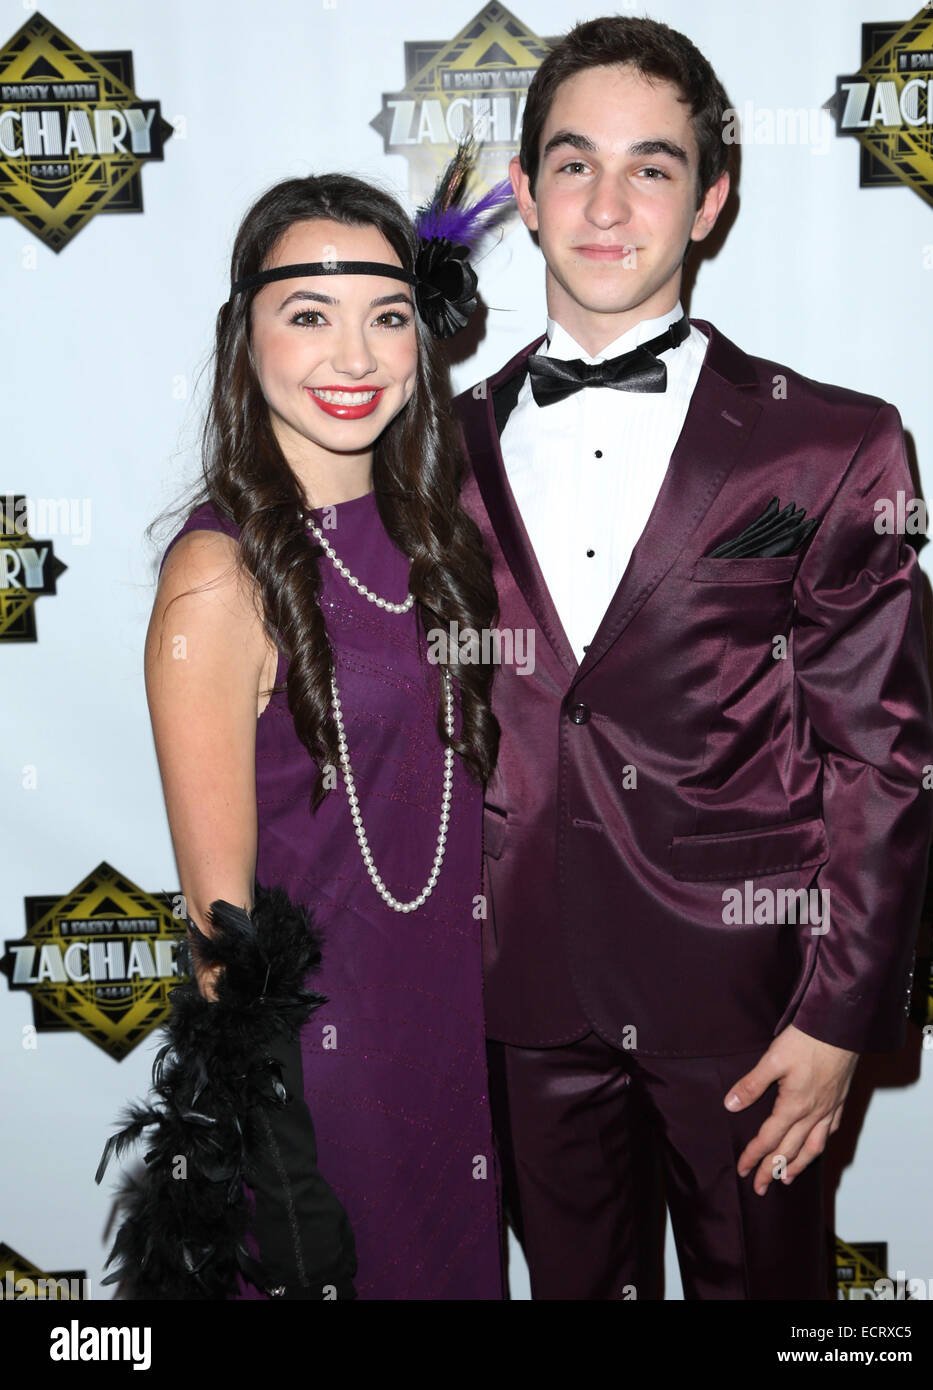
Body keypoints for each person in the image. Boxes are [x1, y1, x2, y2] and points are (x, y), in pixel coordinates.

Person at [453, 15, 933, 1300]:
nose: (606, 205)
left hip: (746, 996)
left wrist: (839, 1014)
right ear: (523, 189)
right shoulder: (428, 449)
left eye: (651, 167)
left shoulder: (825, 445)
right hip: (515, 994)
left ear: (710, 199)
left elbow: (882, 759)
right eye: (572, 163)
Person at [101, 162, 510, 1300]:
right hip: (329, 1087)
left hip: (450, 1047)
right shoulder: (215, 575)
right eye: (309, 316)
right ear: (246, 340)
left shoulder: (440, 534)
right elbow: (220, 925)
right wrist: (277, 1166)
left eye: (387, 318)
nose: (354, 357)